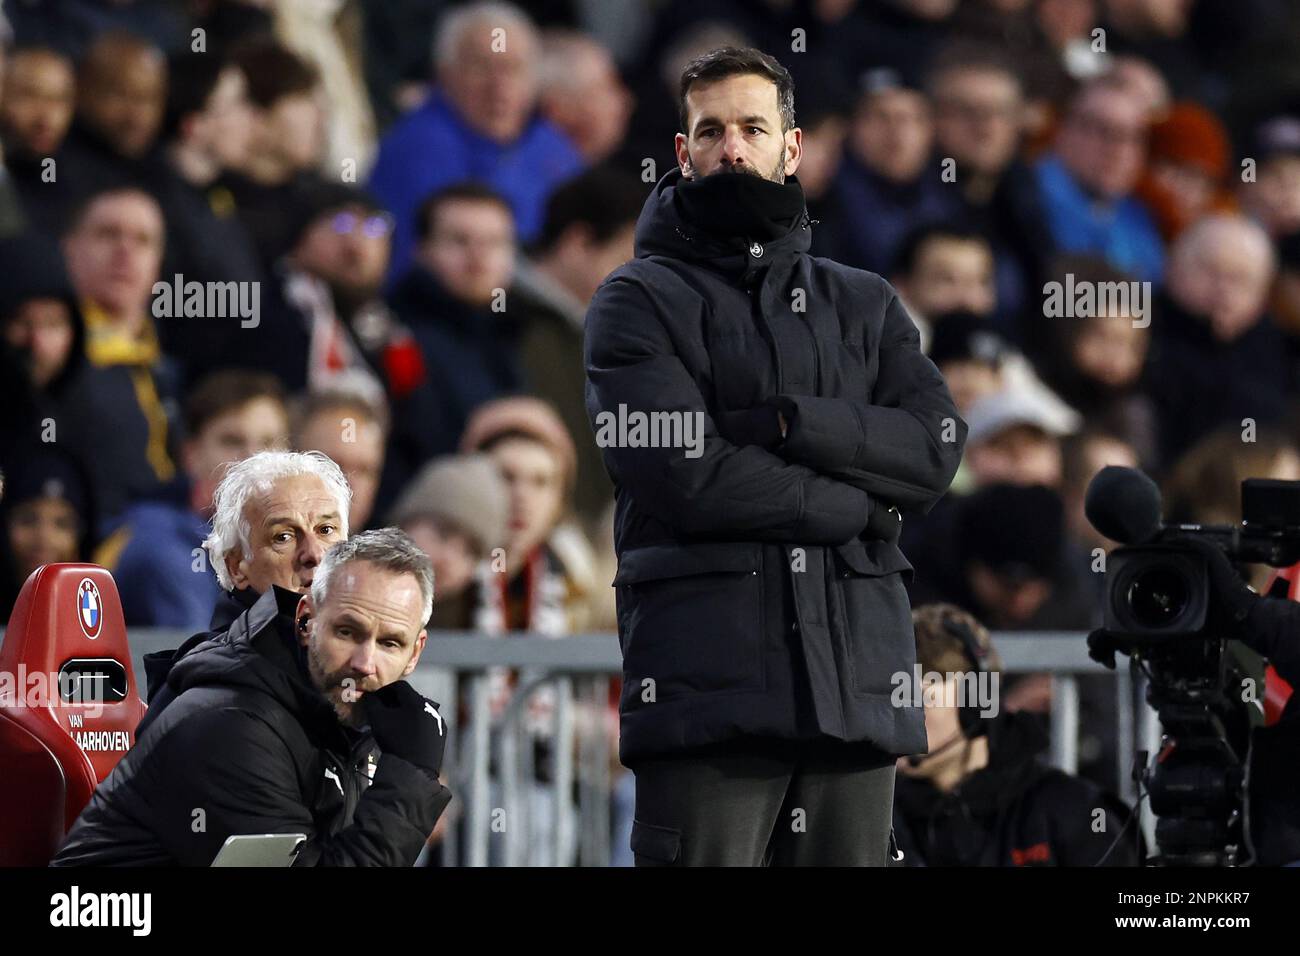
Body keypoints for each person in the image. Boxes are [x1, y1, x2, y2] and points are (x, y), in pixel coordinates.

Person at [585, 46, 966, 866]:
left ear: (790, 149)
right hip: (707, 703)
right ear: (682, 154)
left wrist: (796, 424)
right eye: (711, 130)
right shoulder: (635, 299)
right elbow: (687, 475)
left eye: (753, 127)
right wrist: (858, 506)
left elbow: (934, 450)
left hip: (856, 695)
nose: (732, 147)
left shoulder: (865, 300)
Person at [52, 528, 452, 867]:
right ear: (306, 621)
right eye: (347, 632)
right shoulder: (231, 726)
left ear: (414, 653)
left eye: (390, 643)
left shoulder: (355, 718)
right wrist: (409, 780)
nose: (365, 663)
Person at [892, 604, 1140, 866]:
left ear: (975, 704)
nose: (893, 719)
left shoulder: (1072, 814)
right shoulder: (873, 820)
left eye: (917, 699)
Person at [136, 448, 351, 731]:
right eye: (283, 537)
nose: (314, 554)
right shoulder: (220, 685)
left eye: (325, 530)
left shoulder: (354, 662)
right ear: (237, 567)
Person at [368, 1, 585, 281]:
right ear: (445, 74)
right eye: (482, 67)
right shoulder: (414, 150)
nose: (499, 86)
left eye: (513, 69)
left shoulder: (554, 148)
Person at [103, 370, 289, 631]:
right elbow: (199, 665)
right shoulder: (159, 549)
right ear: (191, 455)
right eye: (232, 441)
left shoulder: (300, 547)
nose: (253, 459)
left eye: (268, 442)